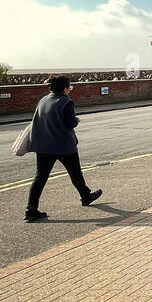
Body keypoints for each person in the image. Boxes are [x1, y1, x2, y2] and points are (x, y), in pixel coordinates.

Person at [24, 75, 103, 222]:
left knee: (40, 177)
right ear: (65, 88)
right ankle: (86, 196)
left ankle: (31, 209)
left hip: (43, 146)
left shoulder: (43, 100)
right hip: (63, 146)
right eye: (70, 88)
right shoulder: (66, 102)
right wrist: (76, 120)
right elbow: (70, 123)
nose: (70, 90)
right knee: (75, 173)